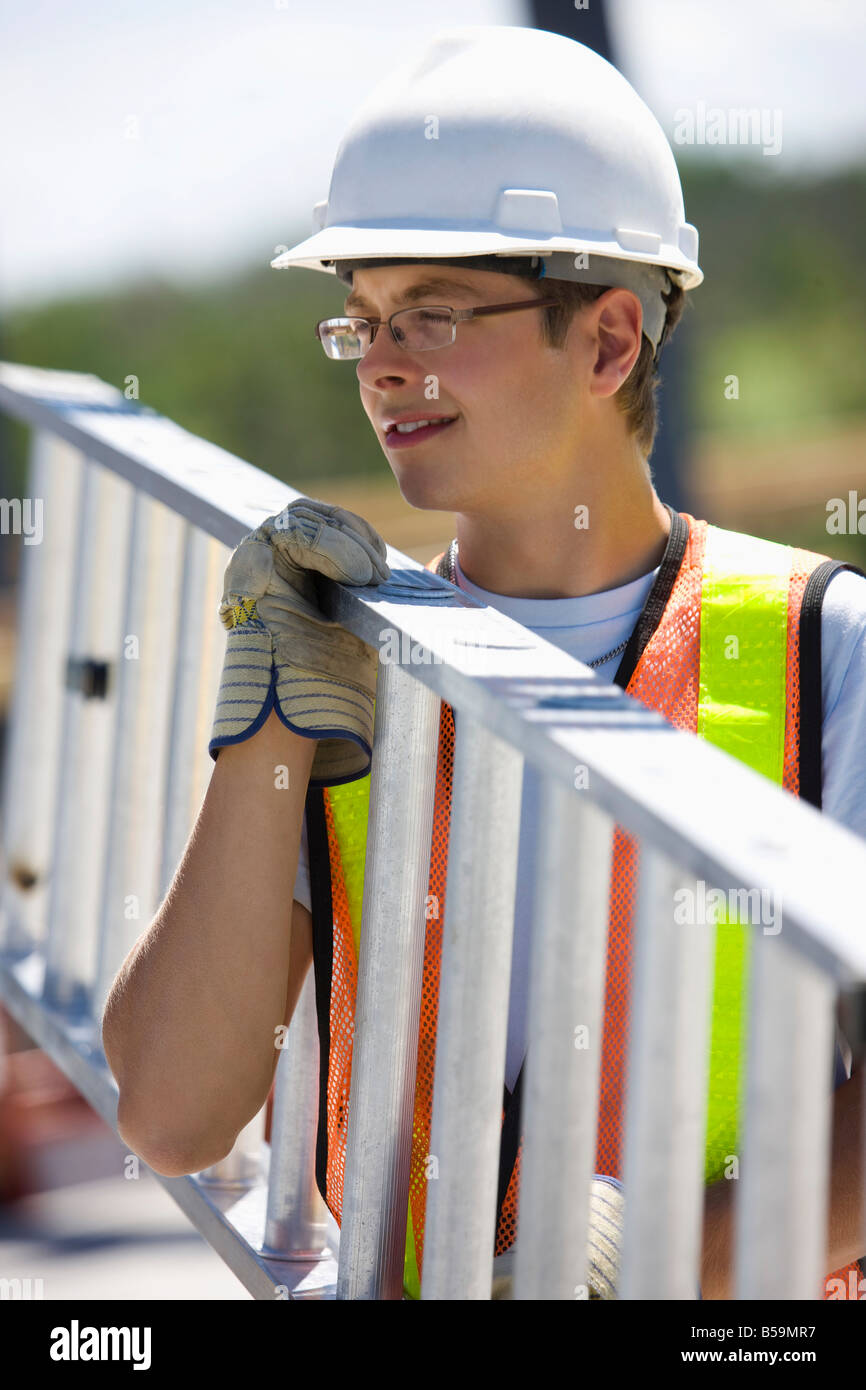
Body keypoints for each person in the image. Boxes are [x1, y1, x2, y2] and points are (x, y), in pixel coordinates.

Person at [102, 26, 866, 1301]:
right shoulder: (350, 652)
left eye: (434, 314)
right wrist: (269, 735)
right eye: (360, 324)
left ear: (608, 342)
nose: (384, 363)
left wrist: (661, 1262)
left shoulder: (819, 645)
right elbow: (173, 1115)